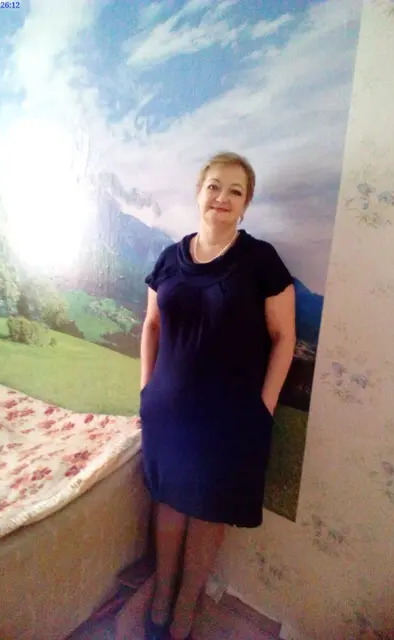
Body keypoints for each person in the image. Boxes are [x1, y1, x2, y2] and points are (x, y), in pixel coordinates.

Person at [140, 151, 296, 639]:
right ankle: (162, 594)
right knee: (168, 503)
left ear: (246, 205)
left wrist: (264, 408)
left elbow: (284, 338)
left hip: (230, 421)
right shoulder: (169, 258)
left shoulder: (261, 261)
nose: (222, 197)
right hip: (169, 415)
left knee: (210, 513)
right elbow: (151, 325)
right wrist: (146, 388)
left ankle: (187, 603)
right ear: (198, 193)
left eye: (235, 191)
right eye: (213, 186)